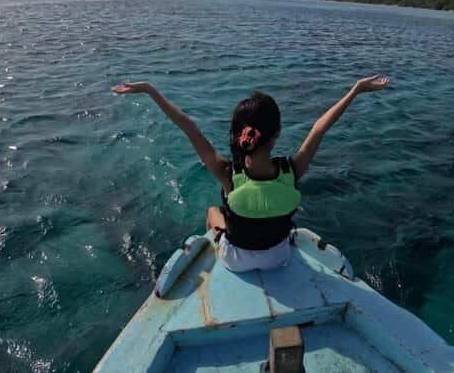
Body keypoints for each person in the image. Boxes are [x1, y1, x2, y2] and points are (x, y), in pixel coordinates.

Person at [111, 74, 390, 272]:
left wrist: (151, 90)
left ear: (240, 134)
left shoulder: (228, 175)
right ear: (276, 135)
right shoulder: (292, 171)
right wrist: (355, 91)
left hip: (237, 262)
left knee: (212, 211)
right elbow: (320, 127)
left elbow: (189, 127)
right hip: (279, 259)